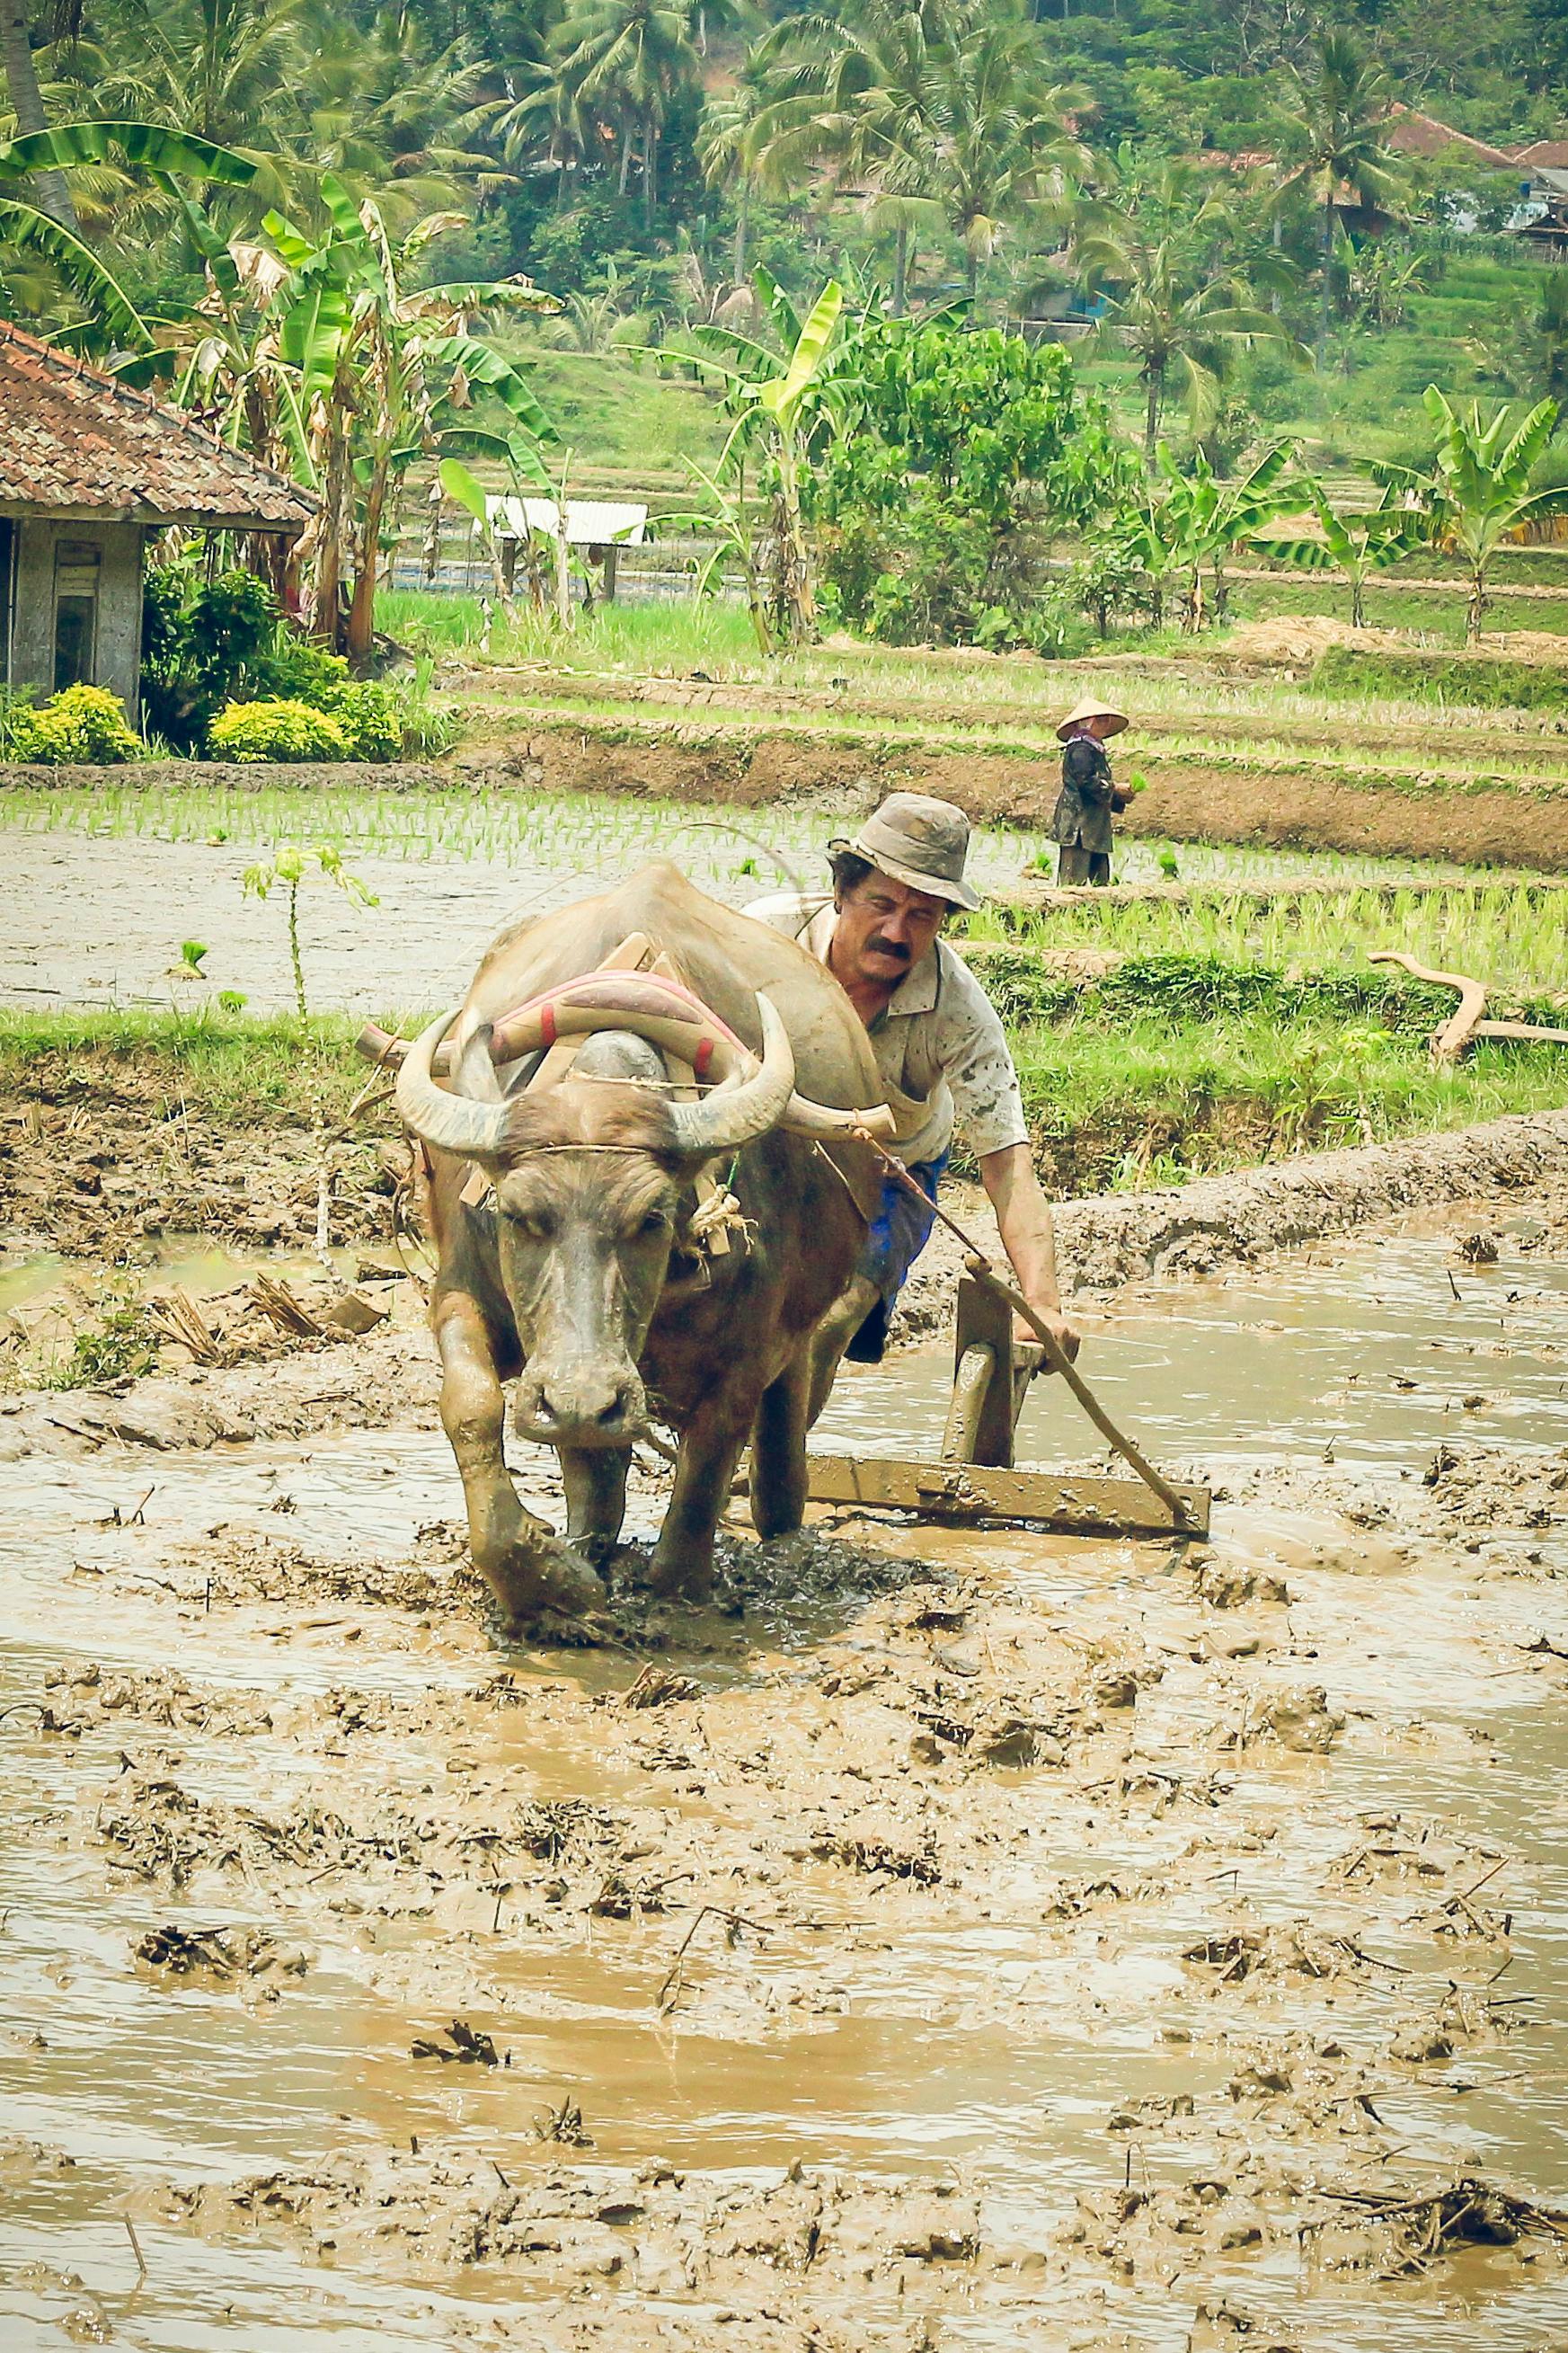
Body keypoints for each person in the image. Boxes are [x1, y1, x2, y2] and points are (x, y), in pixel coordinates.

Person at [747, 791, 1080, 1401]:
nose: (896, 931)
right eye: (881, 903)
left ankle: (771, 1461)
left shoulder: (957, 1010)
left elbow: (1006, 1163)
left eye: (922, 915)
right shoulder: (763, 939)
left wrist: (1042, 1303)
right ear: (842, 891)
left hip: (887, 1177)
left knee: (828, 1320)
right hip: (766, 1157)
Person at [1051, 697, 1129, 887]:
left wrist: (1119, 796)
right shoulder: (1080, 748)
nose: (1107, 724)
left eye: (1107, 720)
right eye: (1102, 719)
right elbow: (1084, 781)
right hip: (1079, 826)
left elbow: (1098, 786)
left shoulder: (1094, 748)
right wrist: (1114, 788)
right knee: (1072, 885)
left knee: (1100, 883)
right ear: (1088, 723)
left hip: (1094, 825)